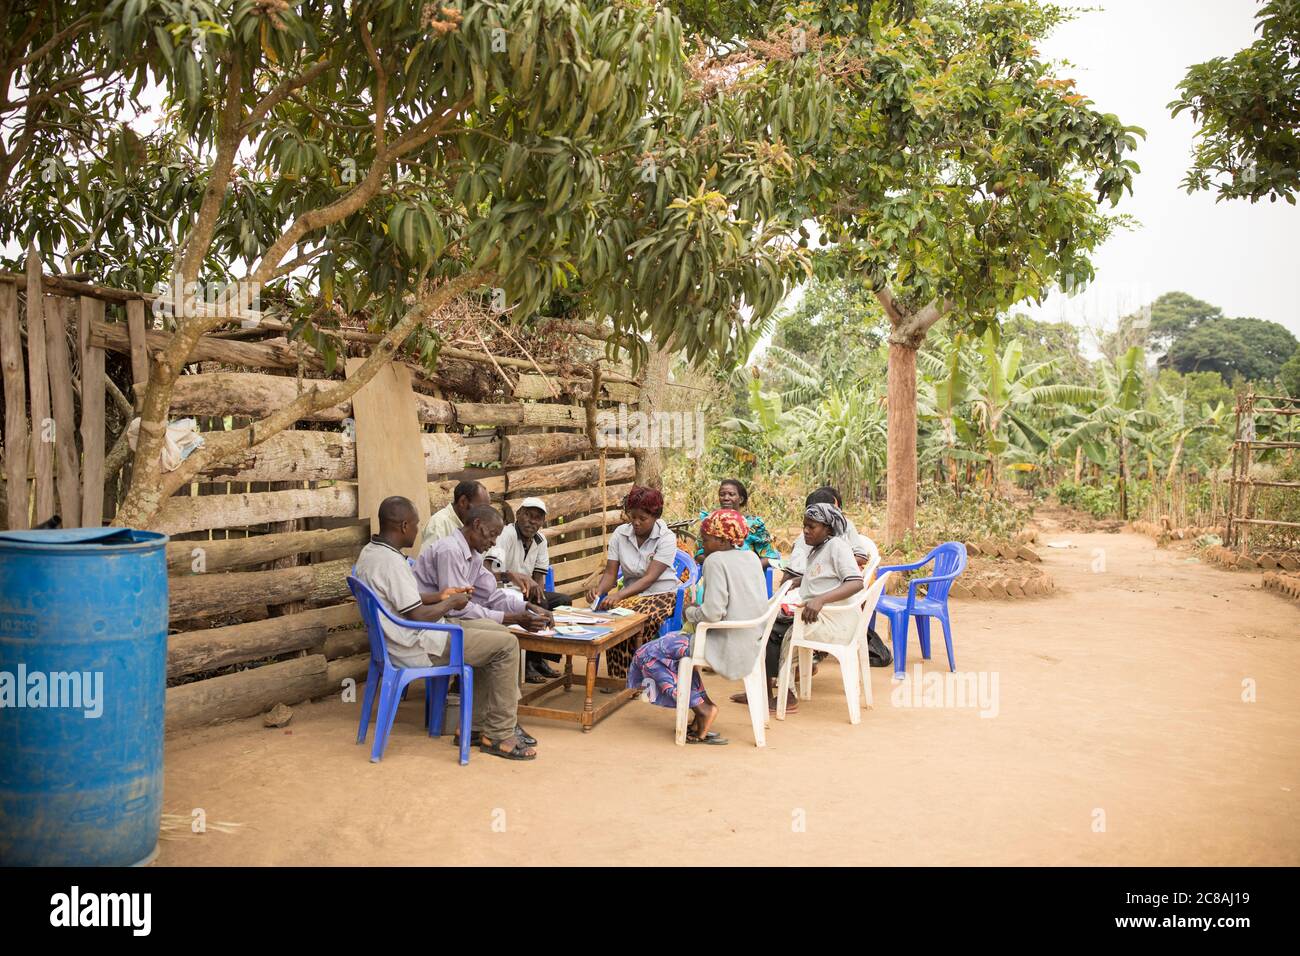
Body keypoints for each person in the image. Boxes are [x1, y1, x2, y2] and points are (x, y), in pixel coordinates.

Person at [353, 496, 538, 761]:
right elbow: (417, 613)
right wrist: (450, 601)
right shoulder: (391, 563)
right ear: (404, 526)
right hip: (416, 644)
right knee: (506, 646)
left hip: (408, 635)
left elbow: (407, 600)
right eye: (416, 525)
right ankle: (497, 734)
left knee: (498, 635)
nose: (419, 530)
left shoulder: (373, 553)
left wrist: (441, 596)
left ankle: (474, 727)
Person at [628, 509, 769, 744]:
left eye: (706, 539)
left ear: (723, 540)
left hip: (721, 642)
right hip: (749, 641)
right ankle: (700, 707)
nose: (702, 544)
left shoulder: (715, 561)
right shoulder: (752, 558)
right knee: (675, 650)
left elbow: (713, 613)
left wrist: (690, 611)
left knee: (646, 654)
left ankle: (702, 708)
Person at [733, 501, 864, 713]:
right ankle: (763, 692)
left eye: (812, 526)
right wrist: (799, 581)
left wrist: (820, 600)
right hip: (817, 616)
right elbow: (823, 578)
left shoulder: (837, 547)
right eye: (804, 525)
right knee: (766, 624)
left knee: (771, 630)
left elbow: (856, 582)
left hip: (835, 622)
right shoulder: (817, 549)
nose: (805, 530)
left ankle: (788, 694)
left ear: (828, 528)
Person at [586, 486, 683, 680]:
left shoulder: (666, 538)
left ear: (655, 517)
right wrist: (599, 590)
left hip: (663, 594)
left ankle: (638, 675)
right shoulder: (620, 535)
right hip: (632, 595)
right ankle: (619, 678)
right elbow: (611, 574)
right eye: (632, 516)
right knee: (611, 619)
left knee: (636, 622)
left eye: (643, 519)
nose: (636, 523)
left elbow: (650, 578)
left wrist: (620, 595)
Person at [485, 497, 570, 683]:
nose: (532, 521)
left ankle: (541, 658)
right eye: (528, 516)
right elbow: (489, 569)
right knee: (539, 603)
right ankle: (529, 663)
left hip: (524, 590)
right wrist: (534, 598)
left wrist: (538, 594)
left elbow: (539, 577)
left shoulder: (540, 541)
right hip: (502, 590)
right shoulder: (506, 534)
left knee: (563, 601)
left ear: (542, 522)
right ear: (518, 515)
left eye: (537, 518)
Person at [693, 478, 780, 569]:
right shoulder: (711, 522)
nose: (726, 498)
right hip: (716, 571)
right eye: (722, 494)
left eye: (731, 494)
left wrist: (748, 569)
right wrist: (722, 566)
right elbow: (699, 554)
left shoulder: (754, 524)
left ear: (741, 499)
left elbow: (769, 556)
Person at [419, 479, 490, 552]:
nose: (483, 516)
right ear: (463, 502)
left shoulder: (474, 525)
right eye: (480, 510)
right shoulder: (439, 524)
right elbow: (427, 561)